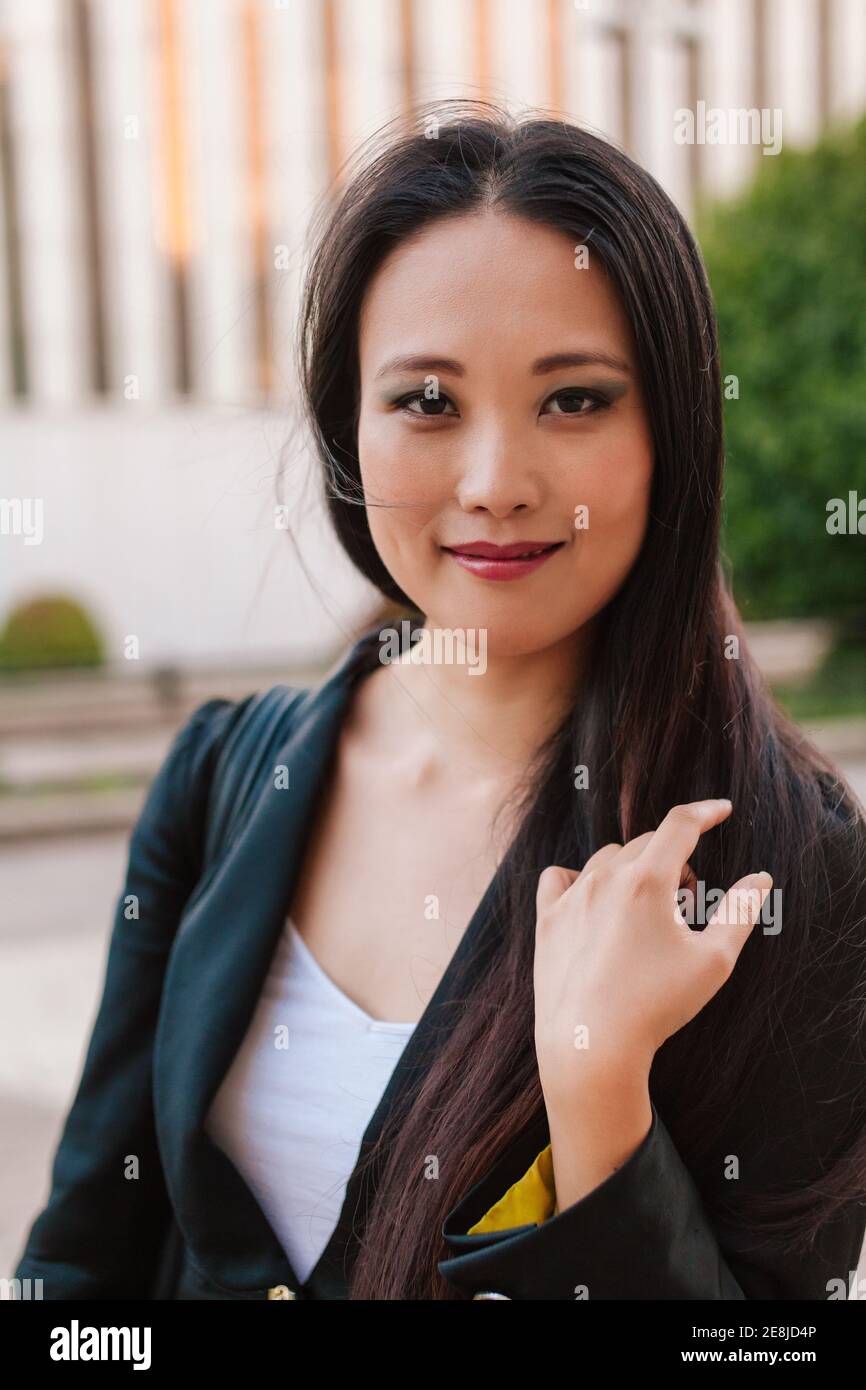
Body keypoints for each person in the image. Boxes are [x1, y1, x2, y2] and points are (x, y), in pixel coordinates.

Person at [13, 101, 866, 1301]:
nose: (493, 483)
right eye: (425, 401)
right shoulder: (222, 775)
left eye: (573, 400)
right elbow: (81, 1245)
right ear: (346, 429)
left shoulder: (786, 871)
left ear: (669, 432)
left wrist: (596, 1094)